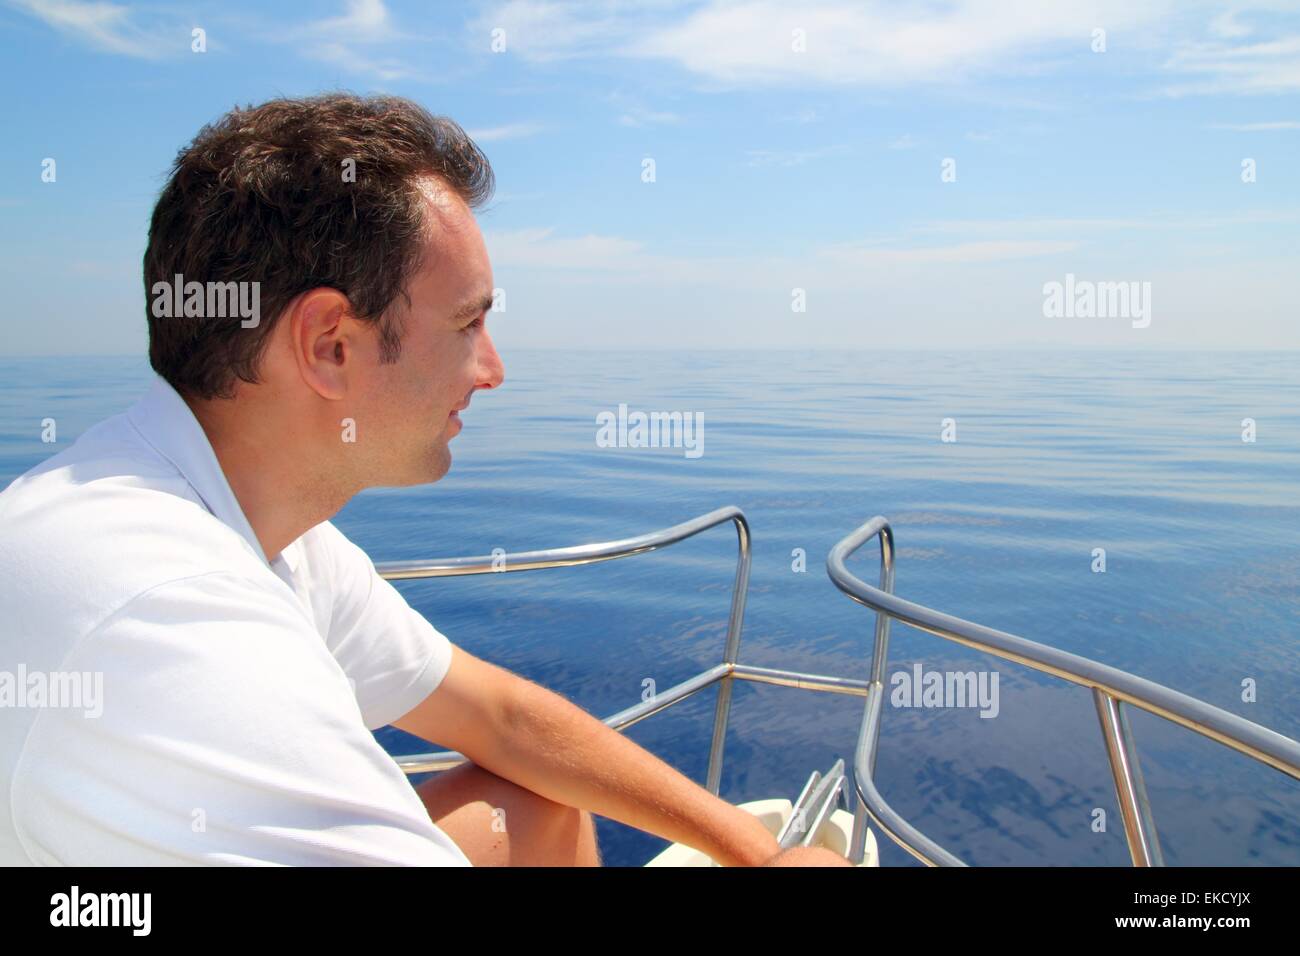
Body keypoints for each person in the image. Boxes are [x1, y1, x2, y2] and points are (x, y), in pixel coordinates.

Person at [0, 93, 850, 868]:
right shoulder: (176, 628)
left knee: (534, 806)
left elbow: (498, 717)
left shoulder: (243, 520)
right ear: (331, 344)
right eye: (468, 322)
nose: (493, 369)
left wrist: (762, 855)